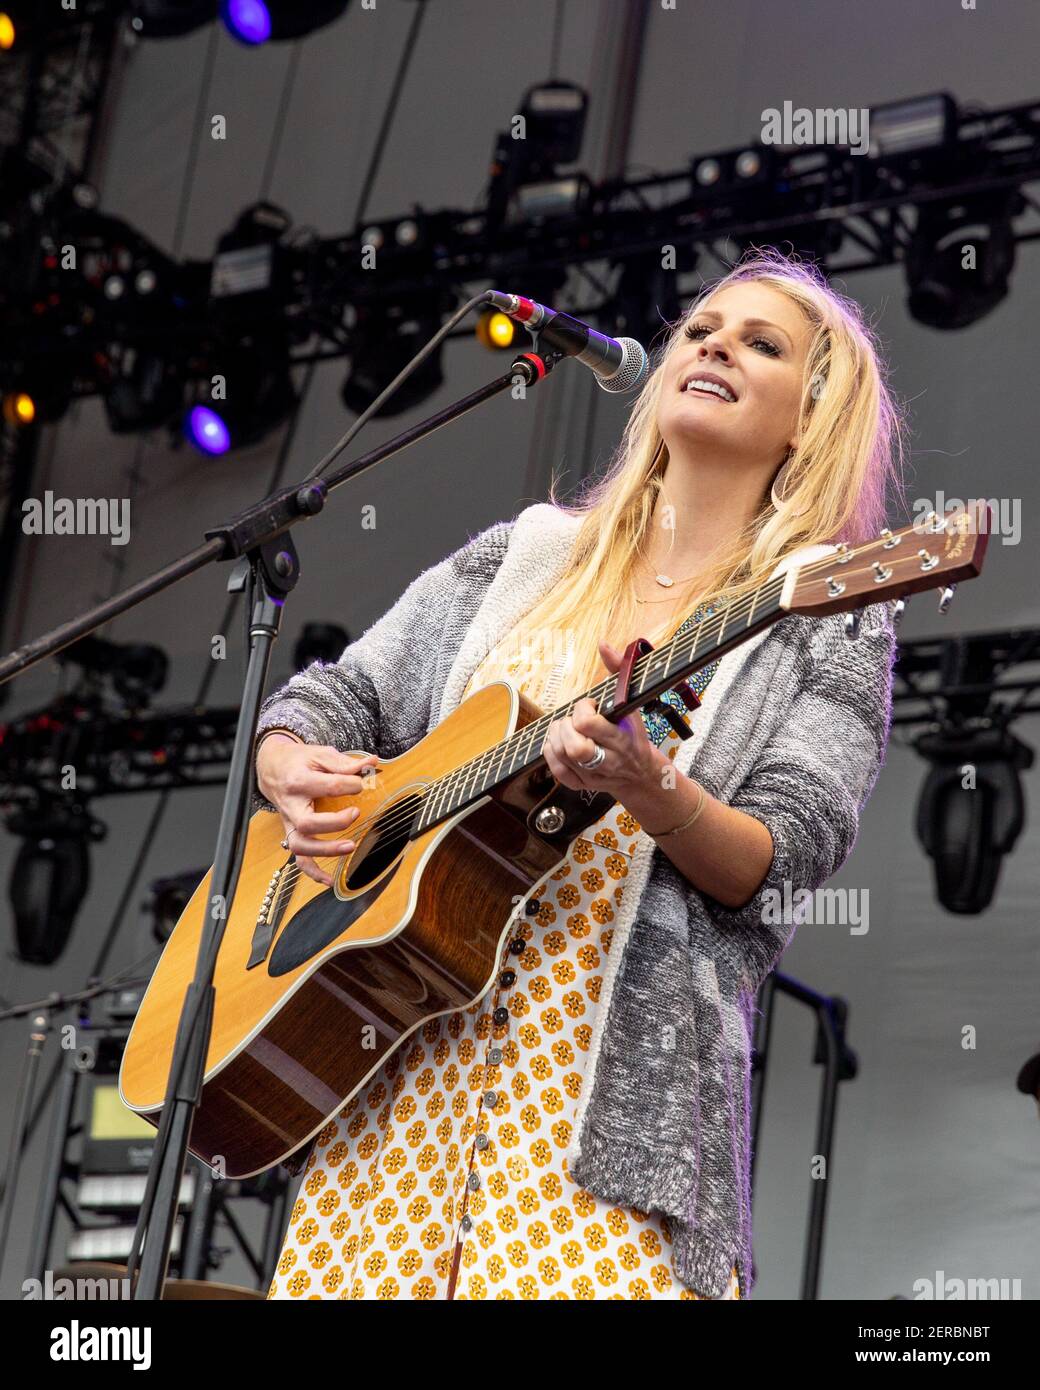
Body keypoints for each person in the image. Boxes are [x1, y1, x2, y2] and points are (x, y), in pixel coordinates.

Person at [256, 248, 902, 1300]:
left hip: (606, 1149)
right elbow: (337, 697)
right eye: (699, 329)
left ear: (808, 418)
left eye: (760, 343)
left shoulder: (829, 610)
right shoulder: (524, 556)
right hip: (391, 1101)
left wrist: (654, 788)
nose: (712, 345)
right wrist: (287, 760)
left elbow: (778, 862)